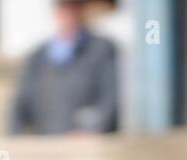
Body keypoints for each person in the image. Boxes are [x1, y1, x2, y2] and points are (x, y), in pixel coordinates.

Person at [8, 0, 118, 135]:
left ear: (83, 11)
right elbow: (20, 104)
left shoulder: (101, 50)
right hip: (47, 141)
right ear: (56, 12)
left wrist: (94, 130)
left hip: (87, 144)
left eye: (74, 7)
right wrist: (14, 140)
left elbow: (110, 98)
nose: (69, 13)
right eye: (64, 7)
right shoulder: (38, 57)